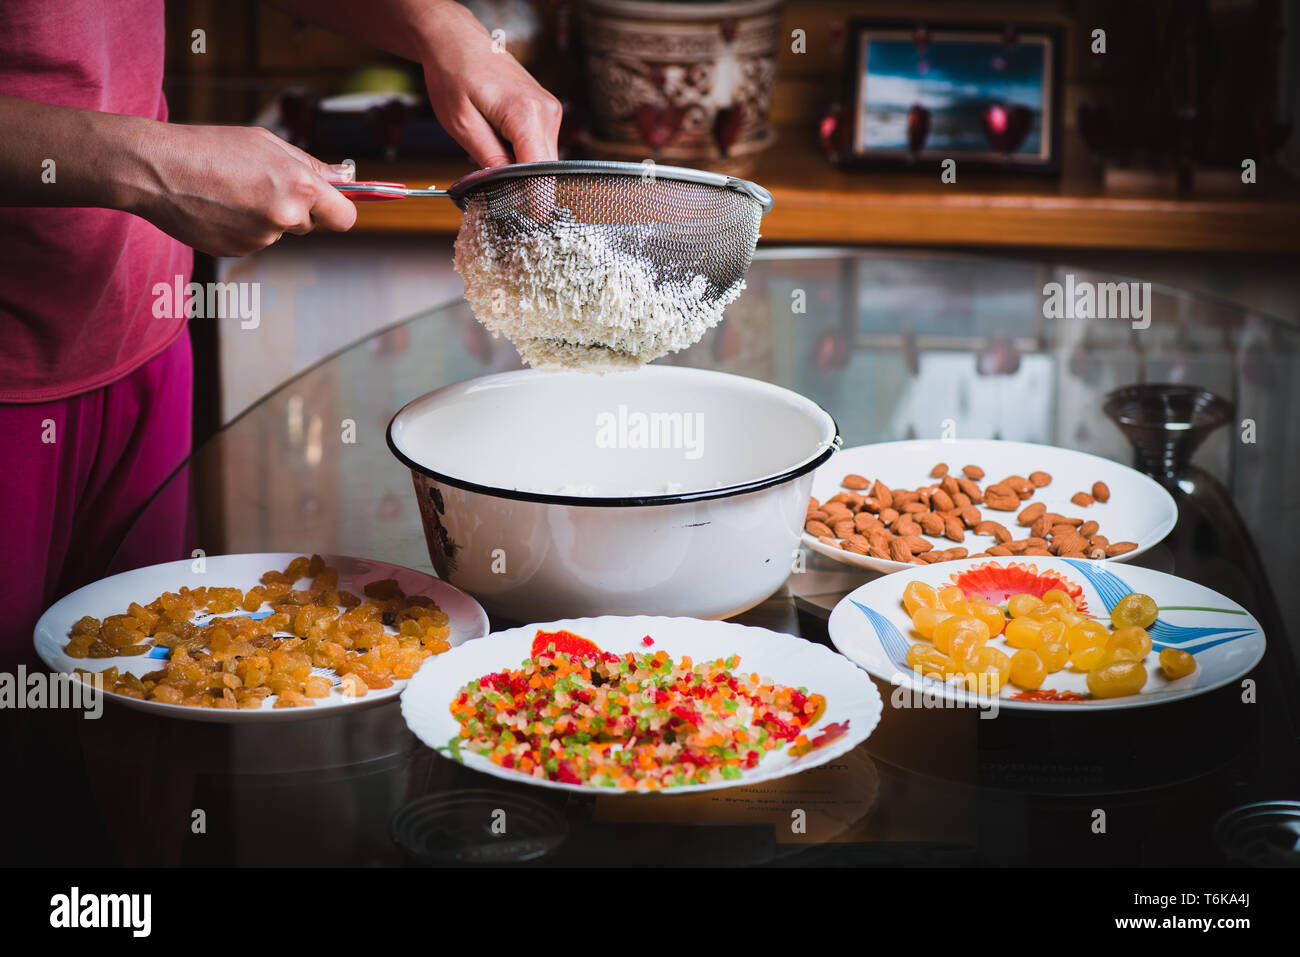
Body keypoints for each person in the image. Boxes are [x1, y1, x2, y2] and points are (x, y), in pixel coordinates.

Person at [0, 0, 562, 668]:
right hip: (14, 378)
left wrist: (440, 27)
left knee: (141, 707)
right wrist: (153, 166)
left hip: (143, 327)